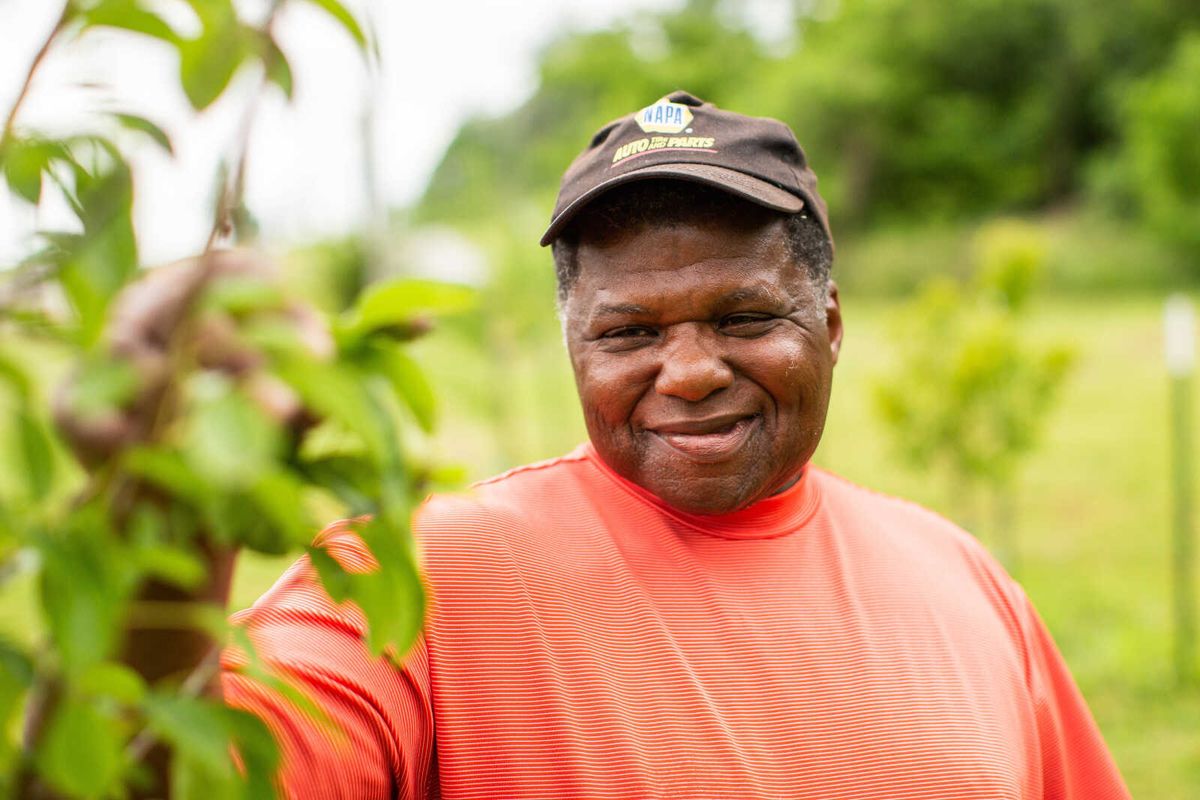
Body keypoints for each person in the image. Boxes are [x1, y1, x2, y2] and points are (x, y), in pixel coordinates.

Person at [79, 92, 1132, 798]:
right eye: (629, 333)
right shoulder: (416, 579)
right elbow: (147, 771)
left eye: (742, 316)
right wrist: (158, 519)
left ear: (833, 322)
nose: (688, 369)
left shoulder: (969, 581)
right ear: (572, 347)